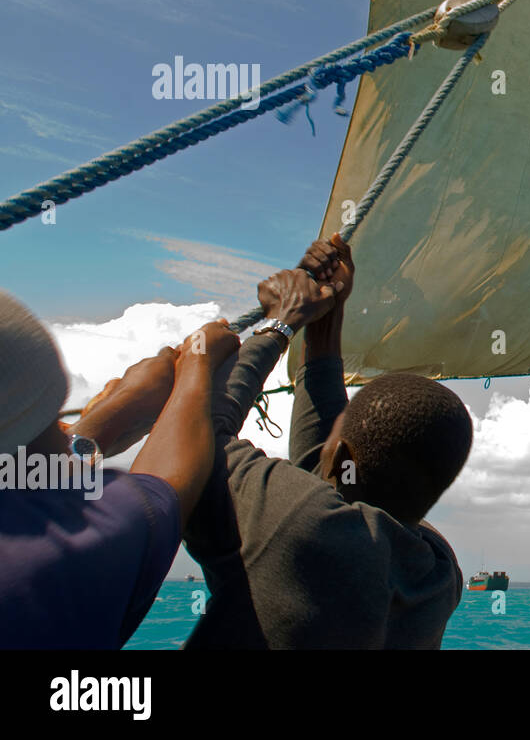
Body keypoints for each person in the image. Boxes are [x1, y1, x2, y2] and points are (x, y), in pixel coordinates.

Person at [183, 234, 473, 648]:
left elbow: (198, 432)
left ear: (340, 456)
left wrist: (281, 323)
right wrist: (326, 321)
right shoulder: (439, 571)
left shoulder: (302, 522)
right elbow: (326, 476)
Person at [0, 289, 237, 648]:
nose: (66, 431)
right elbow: (164, 486)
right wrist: (198, 360)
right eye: (55, 418)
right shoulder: (46, 559)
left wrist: (114, 415)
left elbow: (29, 476)